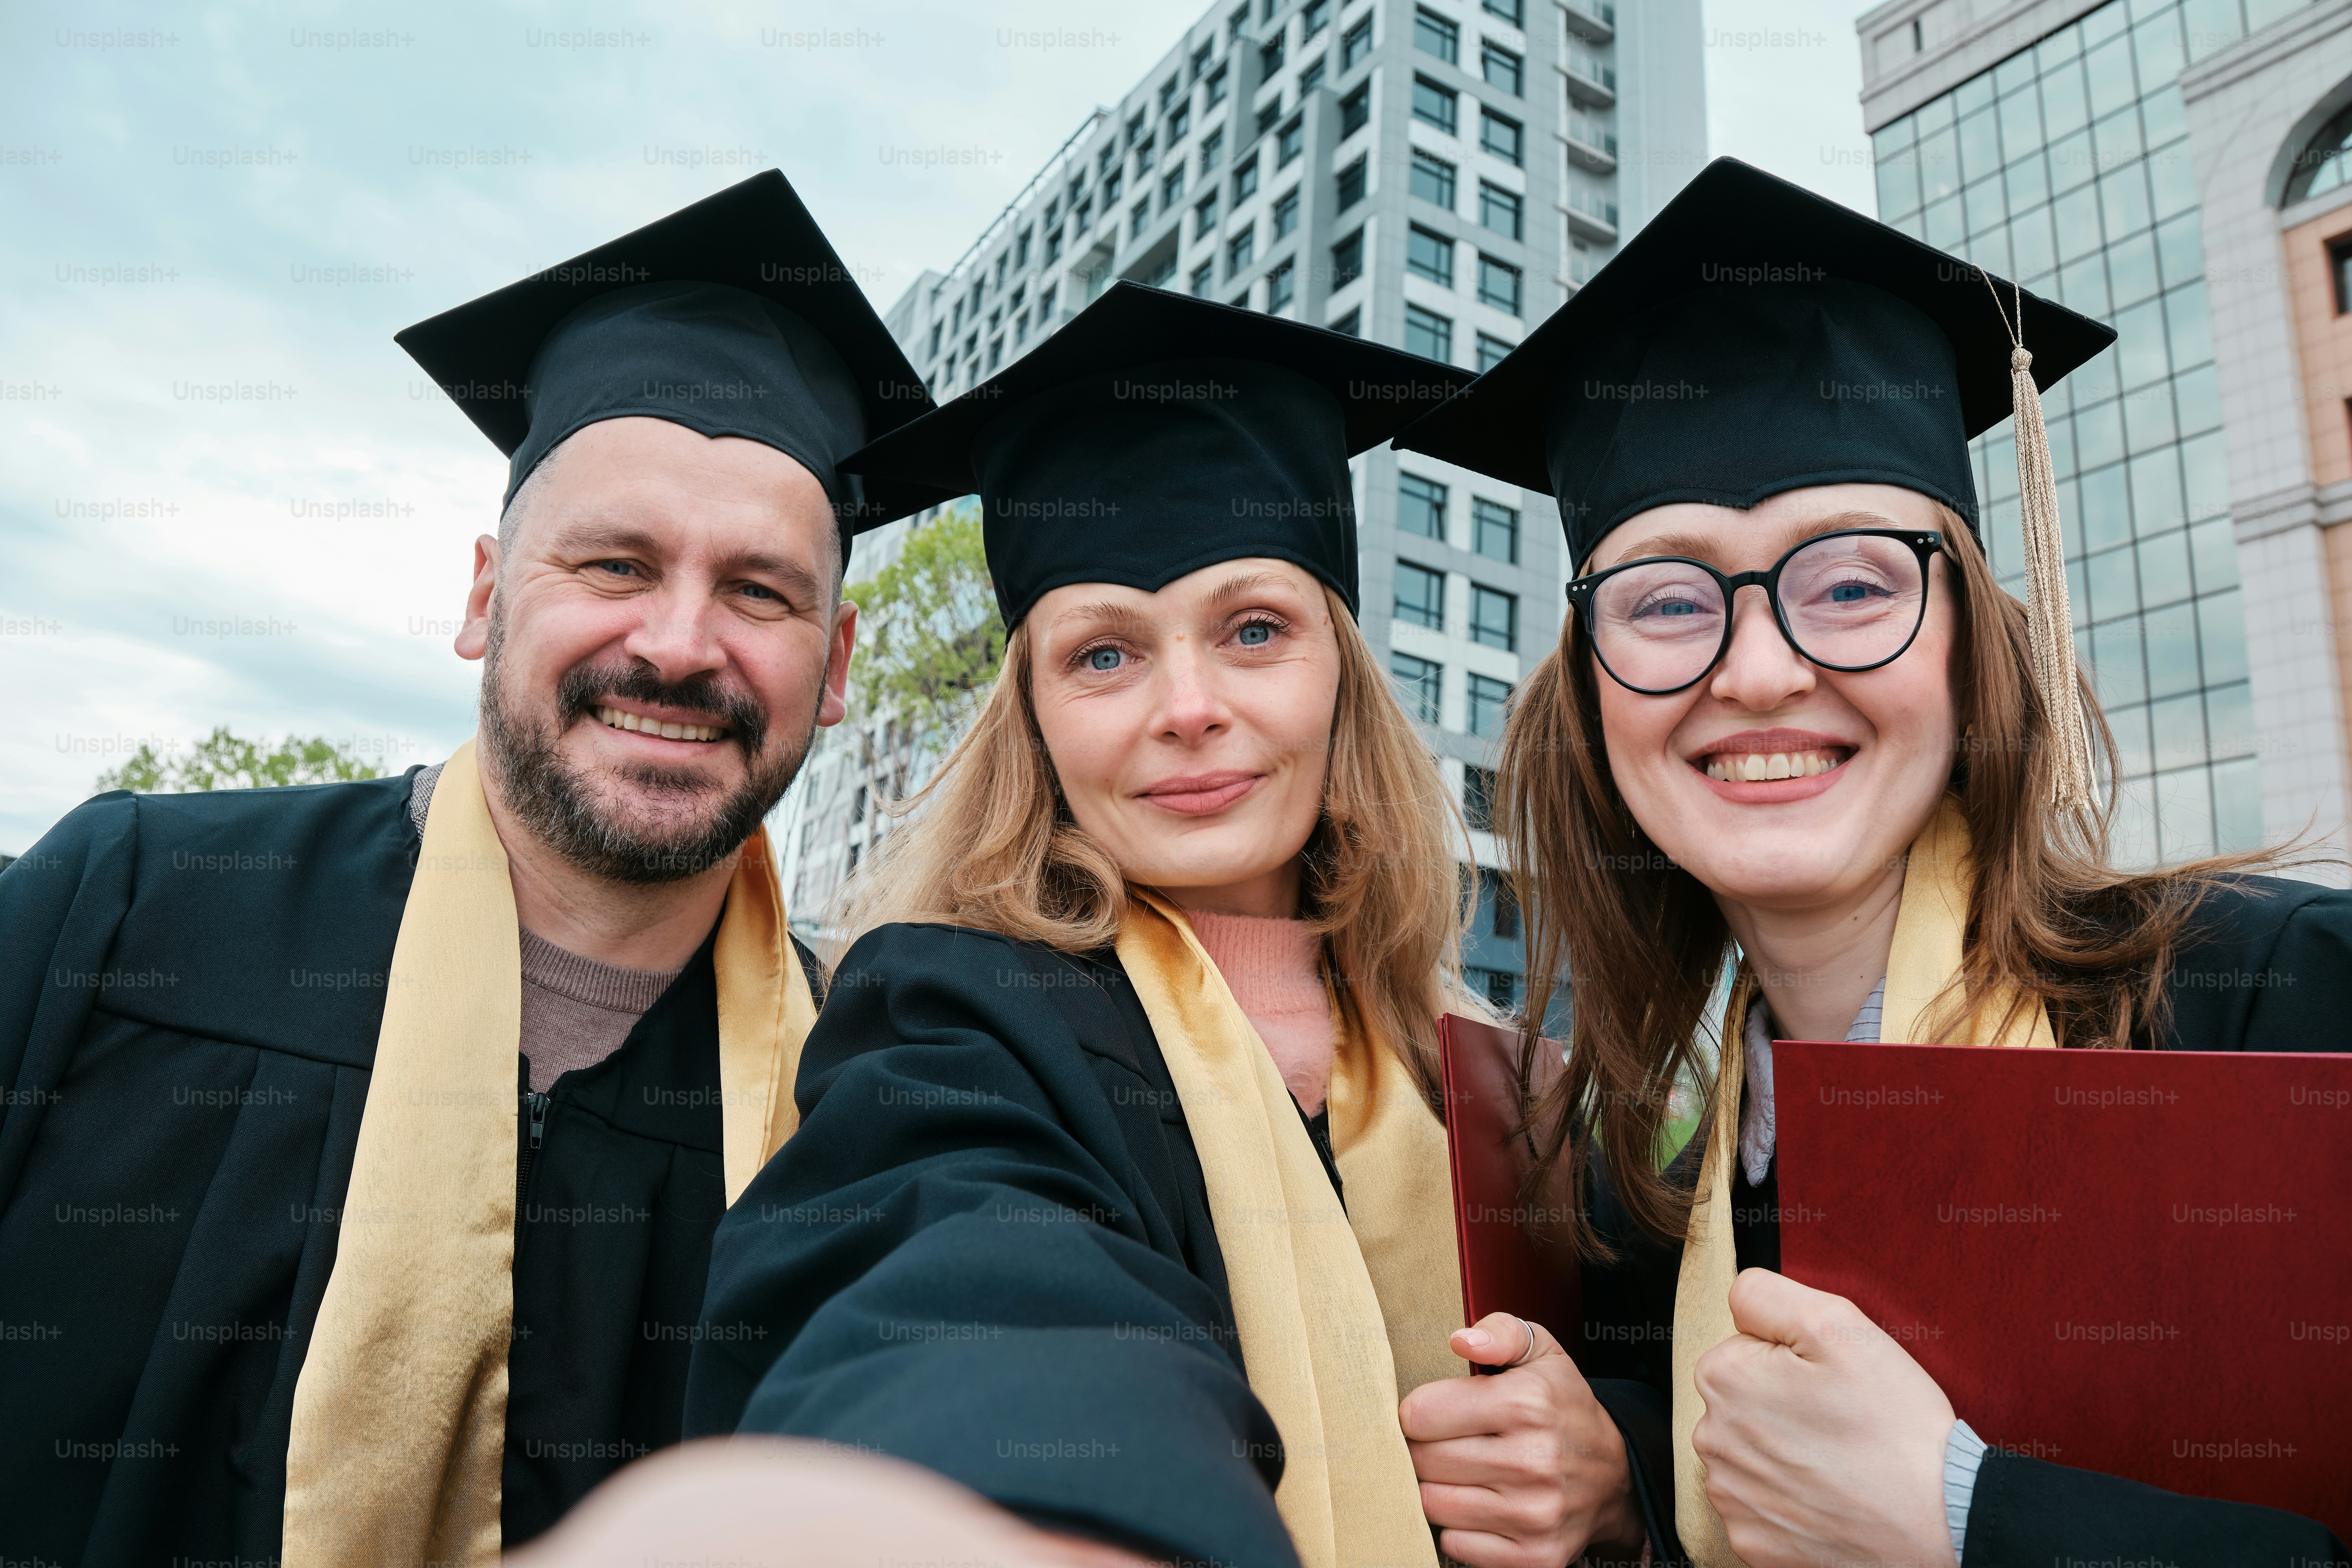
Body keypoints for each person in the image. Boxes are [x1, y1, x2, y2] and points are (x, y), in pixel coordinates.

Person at [1394, 156, 2352, 1566]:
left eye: (1852, 582)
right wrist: (1630, 1494)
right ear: (1591, 696)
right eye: (1669, 599)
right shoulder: (1638, 1218)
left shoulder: (2280, 1018)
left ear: (1968, 640)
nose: (1764, 670)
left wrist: (1970, 1519)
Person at [0, 170, 935, 1566]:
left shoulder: (858, 1106)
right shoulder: (128, 916)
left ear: (841, 664)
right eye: (614, 565)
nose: (680, 645)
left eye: (760, 591)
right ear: (486, 597)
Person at [680, 282, 1644, 1568]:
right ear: (1033, 717)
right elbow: (958, 1300)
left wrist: (1616, 1486)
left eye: (1254, 629)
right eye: (1105, 654)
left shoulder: (1496, 1081)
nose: (1187, 706)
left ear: (1342, 673)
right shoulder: (955, 1025)